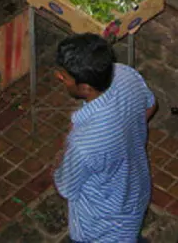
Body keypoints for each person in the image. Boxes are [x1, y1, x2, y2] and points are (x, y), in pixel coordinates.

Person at [53, 34, 156, 243]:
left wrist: (59, 160)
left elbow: (67, 187)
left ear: (85, 88)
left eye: (64, 76)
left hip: (101, 226)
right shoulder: (126, 74)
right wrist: (125, 133)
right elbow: (150, 105)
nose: (59, 77)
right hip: (135, 193)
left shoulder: (82, 144)